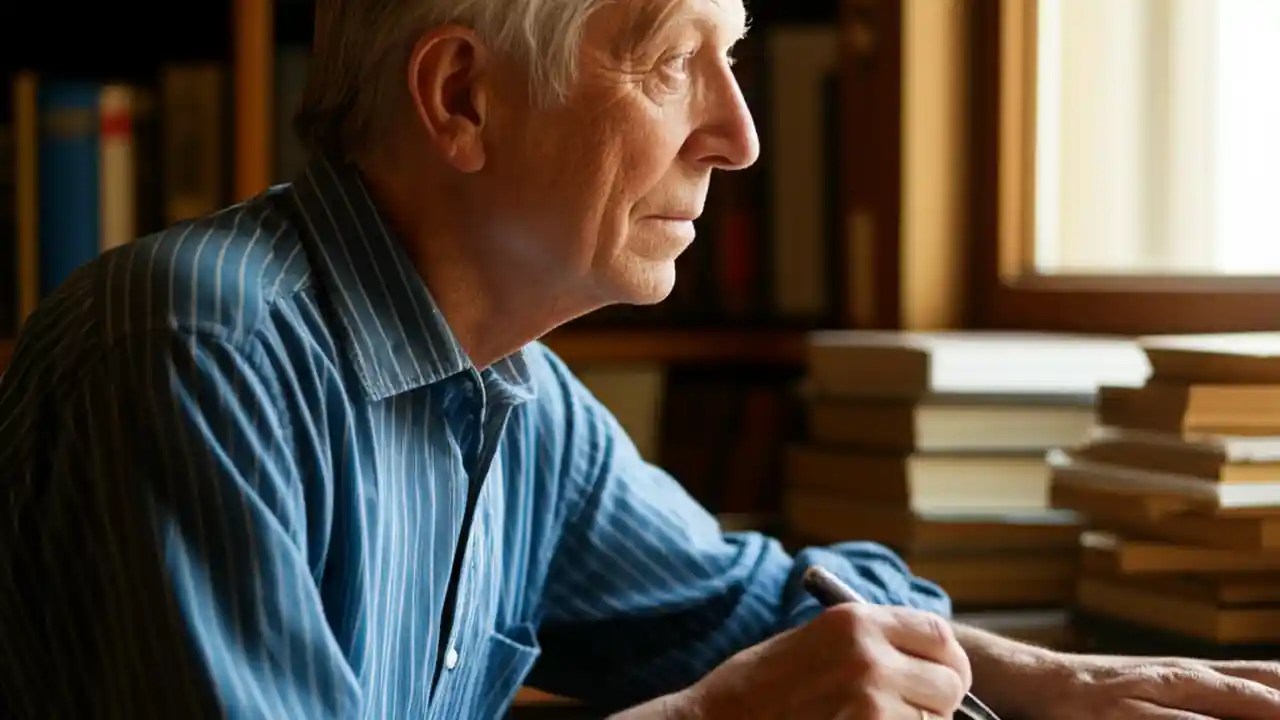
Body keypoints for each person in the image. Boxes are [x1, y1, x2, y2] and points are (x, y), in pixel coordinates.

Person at [2, 0, 1279, 718]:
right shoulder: (193, 353)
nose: (738, 137)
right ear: (460, 100)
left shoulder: (515, 394)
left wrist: (1048, 683)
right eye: (674, 62)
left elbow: (760, 610)